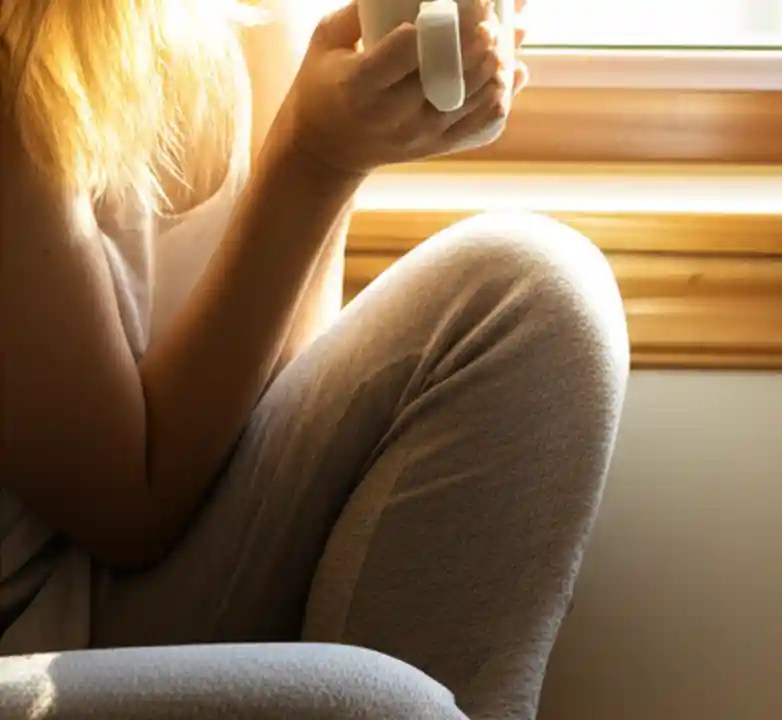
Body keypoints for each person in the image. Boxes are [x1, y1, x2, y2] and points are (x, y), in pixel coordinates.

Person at [0, 0, 628, 717]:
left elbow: (281, 394)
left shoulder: (254, 20)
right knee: (389, 707)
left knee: (536, 291)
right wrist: (317, 161)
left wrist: (353, 146)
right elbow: (122, 513)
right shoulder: (17, 61)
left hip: (167, 573)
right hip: (34, 636)